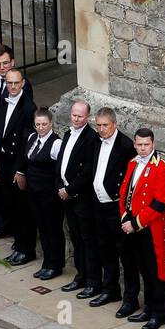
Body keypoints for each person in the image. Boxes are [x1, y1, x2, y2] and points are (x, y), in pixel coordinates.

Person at [117, 128, 165, 329]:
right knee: (141, 268)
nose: (142, 148)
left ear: (153, 144)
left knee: (155, 271)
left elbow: (159, 204)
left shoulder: (163, 168)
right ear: (134, 144)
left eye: (146, 145)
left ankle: (159, 312)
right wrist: (124, 215)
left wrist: (135, 223)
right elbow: (125, 192)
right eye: (139, 144)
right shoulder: (132, 163)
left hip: (150, 228)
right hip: (130, 224)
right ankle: (148, 308)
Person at [0, 45, 34, 238]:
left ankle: (15, 229)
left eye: (5, 63)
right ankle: (2, 222)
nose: (2, 67)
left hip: (11, 147)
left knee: (13, 193)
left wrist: (0, 139)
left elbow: (22, 123)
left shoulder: (20, 85)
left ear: (12, 62)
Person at [87, 107, 136, 310]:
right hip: (99, 205)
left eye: (105, 125)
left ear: (114, 124)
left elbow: (130, 180)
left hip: (117, 207)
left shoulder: (125, 146)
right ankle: (110, 290)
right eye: (98, 125)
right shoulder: (96, 142)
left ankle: (130, 299)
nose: (101, 129)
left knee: (126, 254)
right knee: (105, 249)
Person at [0, 68, 35, 266]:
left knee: (22, 210)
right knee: (11, 207)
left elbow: (27, 144)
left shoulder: (28, 108)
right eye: (10, 83)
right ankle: (18, 246)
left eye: (17, 83)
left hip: (18, 165)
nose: (13, 87)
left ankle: (27, 250)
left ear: (23, 83)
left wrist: (20, 170)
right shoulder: (3, 100)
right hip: (4, 162)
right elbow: (0, 133)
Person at [52, 101, 98, 295]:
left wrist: (69, 189)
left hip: (81, 197)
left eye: (80, 116)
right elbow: (60, 161)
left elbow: (88, 171)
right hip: (66, 196)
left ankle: (92, 282)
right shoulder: (69, 133)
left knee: (88, 240)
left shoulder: (91, 138)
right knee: (76, 238)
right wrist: (60, 186)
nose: (76, 119)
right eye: (73, 115)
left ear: (87, 117)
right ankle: (80, 276)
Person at [20, 107, 63, 280]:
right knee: (42, 229)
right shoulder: (31, 138)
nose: (41, 127)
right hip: (34, 193)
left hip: (50, 196)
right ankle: (47, 262)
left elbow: (60, 170)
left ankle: (56, 264)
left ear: (50, 123)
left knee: (53, 229)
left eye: (44, 124)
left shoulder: (56, 143)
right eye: (38, 124)